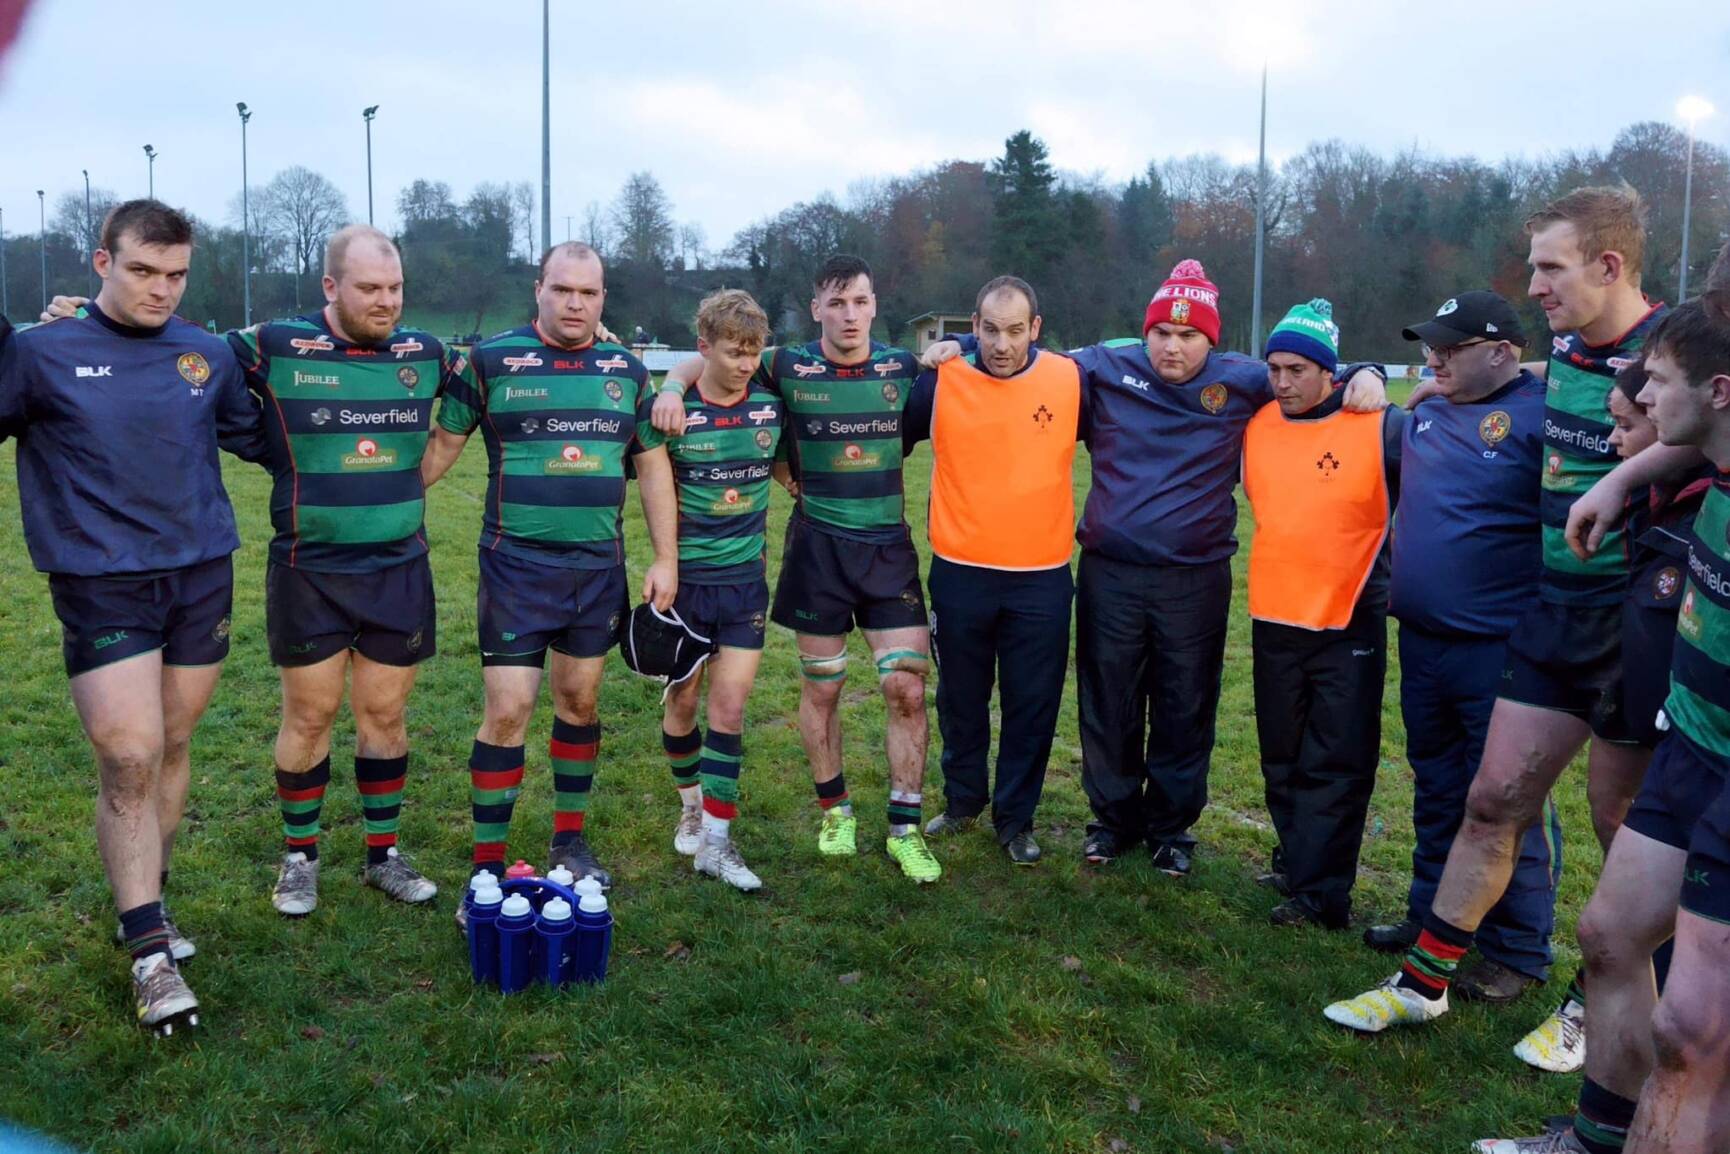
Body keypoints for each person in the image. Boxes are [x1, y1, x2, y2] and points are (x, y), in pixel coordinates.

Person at [1326, 186, 1665, 1044]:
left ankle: (1599, 1005)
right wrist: (1387, 376)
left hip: (1637, 621)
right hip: (1553, 615)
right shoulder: (1564, 356)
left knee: (1628, 829)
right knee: (1492, 798)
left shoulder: (1673, 352)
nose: (1535, 285)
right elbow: (1525, 378)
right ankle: (1425, 980)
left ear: (1609, 265)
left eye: (1550, 268)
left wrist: (1627, 481)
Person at [922, 261, 1386, 875]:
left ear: (1210, 339)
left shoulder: (1244, 381)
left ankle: (1170, 828)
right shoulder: (1103, 368)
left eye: (1189, 335)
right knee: (1108, 702)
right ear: (1145, 333)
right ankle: (1111, 821)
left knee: (1184, 705)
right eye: (1162, 332)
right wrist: (960, 344)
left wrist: (1366, 372)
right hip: (1110, 571)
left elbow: (1309, 367)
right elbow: (1019, 354)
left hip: (1195, 577)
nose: (1173, 346)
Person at [0, 200, 266, 1033]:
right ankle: (152, 958)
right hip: (101, 582)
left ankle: (146, 905)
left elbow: (262, 438)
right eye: (143, 270)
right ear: (101, 263)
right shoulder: (39, 353)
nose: (161, 289)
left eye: (175, 274)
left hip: (201, 575)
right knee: (128, 755)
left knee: (172, 745)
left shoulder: (206, 354)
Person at [1472, 296, 1730, 1154]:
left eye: (1657, 382)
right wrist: (1619, 479)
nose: (1637, 398)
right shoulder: (1704, 449)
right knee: (1610, 936)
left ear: (1719, 390)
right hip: (1691, 745)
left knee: (1693, 1032)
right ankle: (1594, 1141)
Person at [652, 256, 941, 884]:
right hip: (817, 550)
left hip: (887, 549)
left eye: (860, 301)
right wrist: (671, 386)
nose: (850, 315)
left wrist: (956, 347)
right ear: (816, 310)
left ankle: (905, 829)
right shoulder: (784, 364)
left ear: (874, 304)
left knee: (907, 687)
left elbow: (987, 355)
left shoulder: (902, 366)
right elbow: (711, 356)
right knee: (825, 686)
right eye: (836, 303)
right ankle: (836, 812)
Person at [421, 241, 677, 895]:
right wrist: (378, 504)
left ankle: (569, 841)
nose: (574, 303)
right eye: (563, 289)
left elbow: (652, 465)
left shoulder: (628, 371)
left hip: (596, 571)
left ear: (603, 298)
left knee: (580, 703)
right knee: (509, 711)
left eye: (588, 292)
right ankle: (486, 864)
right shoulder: (492, 361)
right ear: (539, 289)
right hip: (516, 568)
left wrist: (666, 557)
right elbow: (442, 445)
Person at [229, 226, 470, 918]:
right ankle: (299, 858)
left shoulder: (426, 353)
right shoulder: (275, 344)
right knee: (310, 716)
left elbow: (496, 377)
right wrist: (85, 315)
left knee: (385, 714)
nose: (386, 301)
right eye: (369, 288)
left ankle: (382, 856)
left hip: (398, 567)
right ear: (331, 287)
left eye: (395, 288)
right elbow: (185, 357)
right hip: (310, 568)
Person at [1365, 292, 1563, 1002]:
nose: (1433, 360)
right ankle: (1434, 922)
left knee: (1506, 801)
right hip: (1422, 642)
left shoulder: (1542, 418)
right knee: (1437, 786)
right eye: (1431, 348)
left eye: (1450, 348)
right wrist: (1363, 370)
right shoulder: (1425, 410)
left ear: (1503, 352)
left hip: (1499, 651)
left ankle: (1518, 950)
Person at [901, 276, 1086, 865]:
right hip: (961, 573)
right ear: (973, 326)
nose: (1002, 344)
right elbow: (888, 440)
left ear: (1036, 329)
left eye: (1015, 330)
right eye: (989, 330)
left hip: (1042, 578)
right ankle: (962, 801)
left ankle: (1016, 819)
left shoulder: (1070, 378)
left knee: (1032, 704)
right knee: (961, 699)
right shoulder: (941, 380)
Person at [1241, 298, 1407, 929]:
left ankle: (1324, 895)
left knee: (1335, 762)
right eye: (1275, 369)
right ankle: (1296, 864)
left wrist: (1371, 372)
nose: (1282, 382)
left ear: (1328, 373)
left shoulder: (1379, 425)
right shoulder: (1257, 422)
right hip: (1274, 617)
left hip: (1348, 622)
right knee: (1281, 756)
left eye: (1297, 370)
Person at [633, 288, 781, 891]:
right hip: (687, 587)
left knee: (730, 708)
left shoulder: (771, 404)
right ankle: (692, 804)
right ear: (704, 347)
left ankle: (717, 844)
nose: (745, 363)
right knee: (684, 704)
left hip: (745, 585)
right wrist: (672, 386)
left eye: (754, 351)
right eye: (733, 352)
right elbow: (650, 484)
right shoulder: (673, 413)